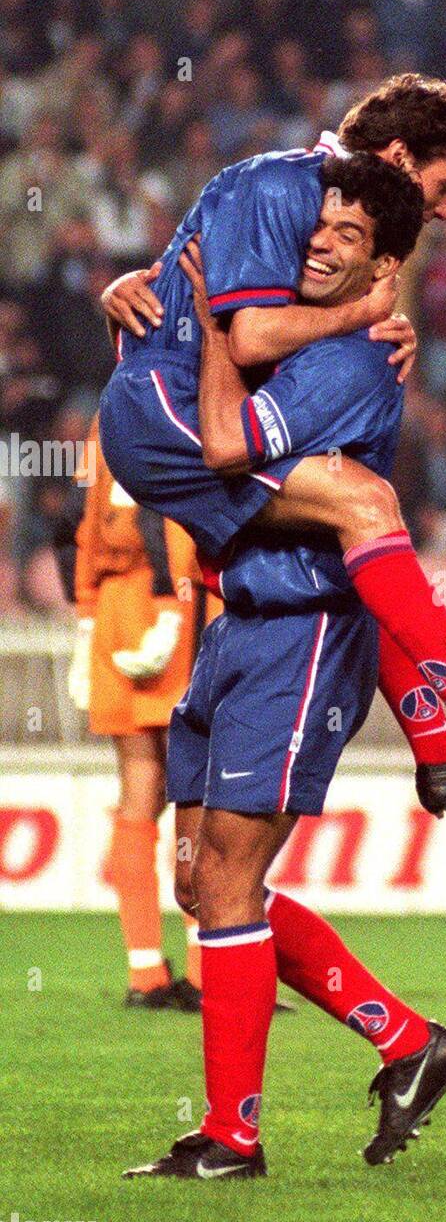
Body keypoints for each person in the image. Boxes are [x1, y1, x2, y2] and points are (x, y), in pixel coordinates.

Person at [123, 157, 446, 1181]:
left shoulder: (356, 354)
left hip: (299, 628)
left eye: (351, 232)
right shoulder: (288, 313)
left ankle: (233, 1138)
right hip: (233, 620)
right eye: (321, 221)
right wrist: (153, 310)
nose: (322, 237)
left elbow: (230, 447)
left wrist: (216, 333)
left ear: (384, 262)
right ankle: (408, 1040)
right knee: (202, 883)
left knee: (233, 876)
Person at [98, 74, 446, 816]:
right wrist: (359, 311)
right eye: (444, 184)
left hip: (184, 411)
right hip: (166, 413)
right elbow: (248, 333)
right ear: (396, 154)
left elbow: (220, 317)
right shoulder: (283, 183)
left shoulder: (317, 212)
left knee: (355, 544)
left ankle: (441, 746)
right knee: (364, 503)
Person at [56, 420, 210, 1009]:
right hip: (173, 596)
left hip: (115, 605)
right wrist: (174, 606)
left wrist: (87, 617)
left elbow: (72, 527)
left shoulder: (103, 423)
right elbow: (164, 505)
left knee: (139, 787)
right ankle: (205, 970)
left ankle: (145, 971)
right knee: (197, 788)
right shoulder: (176, 398)